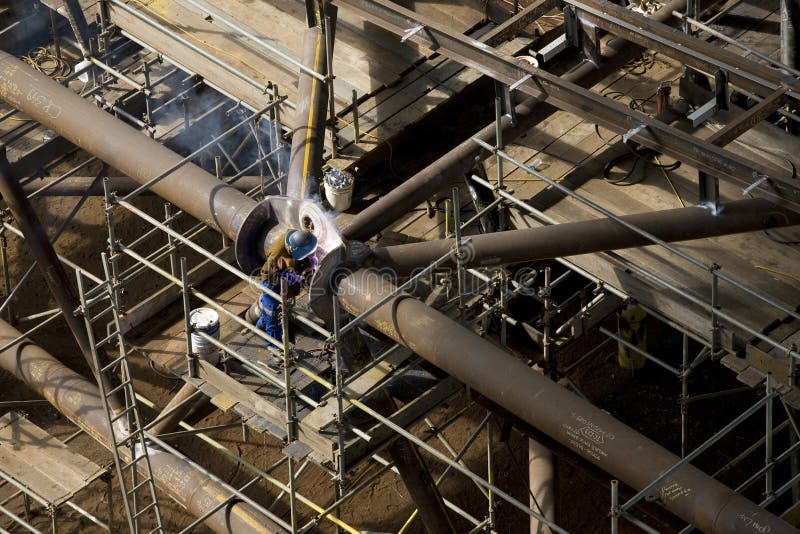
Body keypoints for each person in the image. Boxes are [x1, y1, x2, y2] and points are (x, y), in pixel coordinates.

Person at [256, 229, 318, 347]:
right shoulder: (276, 257)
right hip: (272, 282)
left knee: (270, 315)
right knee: (273, 316)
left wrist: (312, 261)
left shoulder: (298, 237)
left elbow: (308, 249)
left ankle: (260, 326)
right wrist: (295, 278)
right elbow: (272, 276)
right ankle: (275, 349)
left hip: (285, 271)